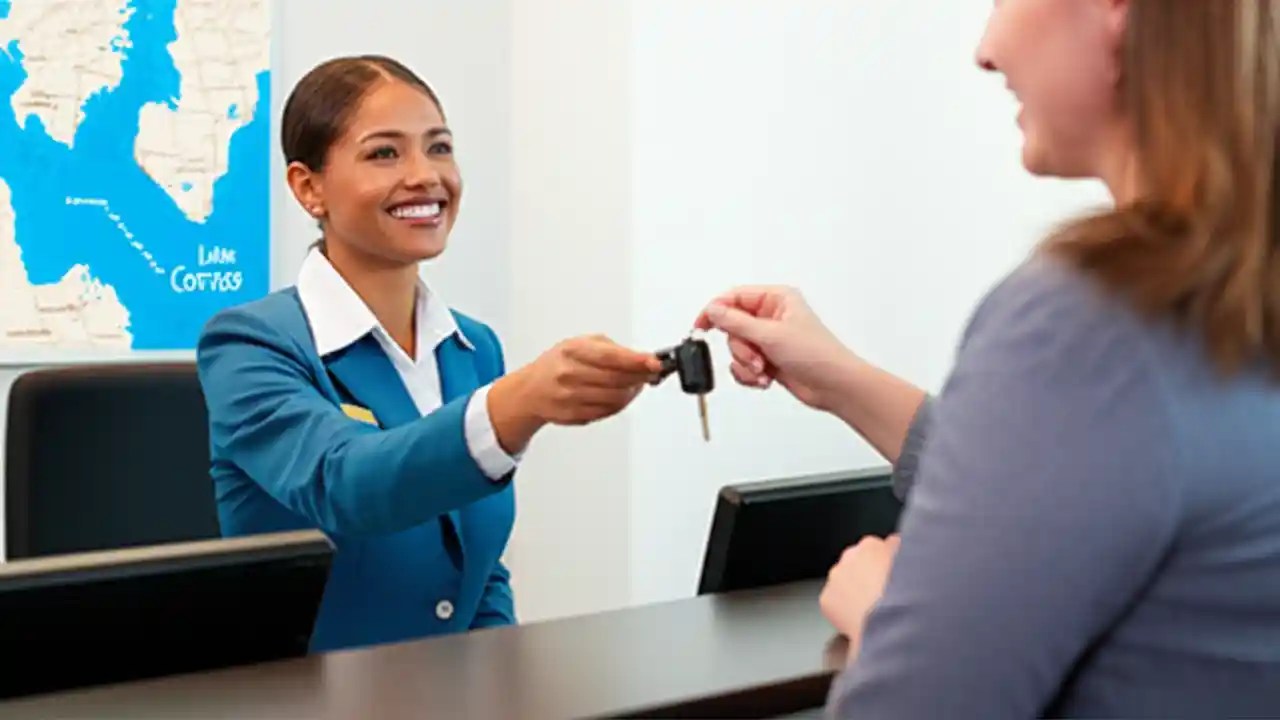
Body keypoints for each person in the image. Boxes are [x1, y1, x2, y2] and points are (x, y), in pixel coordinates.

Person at [696, 0, 1280, 716]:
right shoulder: (1231, 301)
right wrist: (842, 381)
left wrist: (892, 619)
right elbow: (1094, 473)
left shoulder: (1087, 326)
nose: (985, 48)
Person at [196, 55, 662, 653]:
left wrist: (501, 683)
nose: (425, 175)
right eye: (385, 153)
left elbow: (478, 572)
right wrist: (516, 403)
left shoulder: (473, 347)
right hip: (304, 693)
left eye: (439, 148)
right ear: (309, 187)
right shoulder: (249, 343)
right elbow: (346, 483)